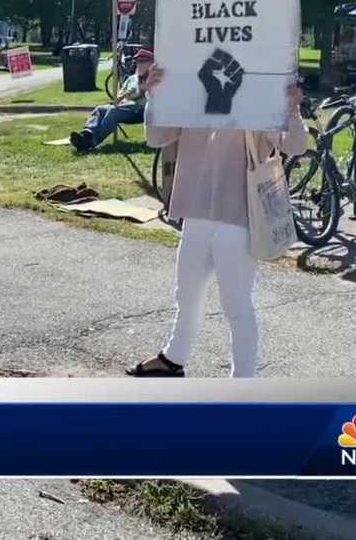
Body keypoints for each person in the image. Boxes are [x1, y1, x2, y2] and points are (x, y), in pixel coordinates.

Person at [127, 66, 307, 378]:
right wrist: (155, 97)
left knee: (236, 303)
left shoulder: (259, 93)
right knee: (186, 293)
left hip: (238, 214)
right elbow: (157, 137)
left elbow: (296, 145)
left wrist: (292, 109)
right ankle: (174, 358)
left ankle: (243, 381)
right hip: (196, 211)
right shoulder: (193, 91)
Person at [70, 48, 154, 152]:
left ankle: (91, 142)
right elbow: (121, 93)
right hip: (124, 105)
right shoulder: (132, 78)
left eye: (143, 61)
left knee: (113, 111)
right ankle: (87, 134)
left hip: (140, 109)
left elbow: (148, 96)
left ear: (151, 63)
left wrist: (142, 90)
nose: (139, 64)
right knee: (100, 109)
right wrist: (120, 97)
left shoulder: (153, 78)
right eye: (137, 61)